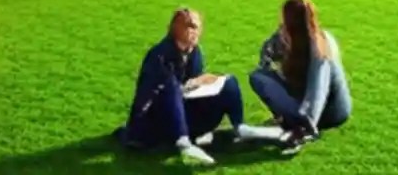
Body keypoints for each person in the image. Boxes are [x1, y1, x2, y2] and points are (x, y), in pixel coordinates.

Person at [116, 9, 281, 165]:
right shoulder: (159, 55)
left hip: (186, 114)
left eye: (195, 27)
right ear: (174, 28)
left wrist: (206, 82)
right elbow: (154, 96)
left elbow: (192, 88)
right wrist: (192, 84)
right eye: (187, 26)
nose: (192, 31)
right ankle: (183, 143)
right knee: (171, 85)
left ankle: (240, 127)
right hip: (158, 121)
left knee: (228, 81)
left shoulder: (195, 52)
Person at [248, 0, 352, 151]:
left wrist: (307, 125)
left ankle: (302, 124)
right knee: (258, 76)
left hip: (331, 111)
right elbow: (266, 57)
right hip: (303, 103)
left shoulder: (321, 45)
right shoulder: (286, 37)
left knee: (306, 103)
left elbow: (318, 91)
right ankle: (291, 120)